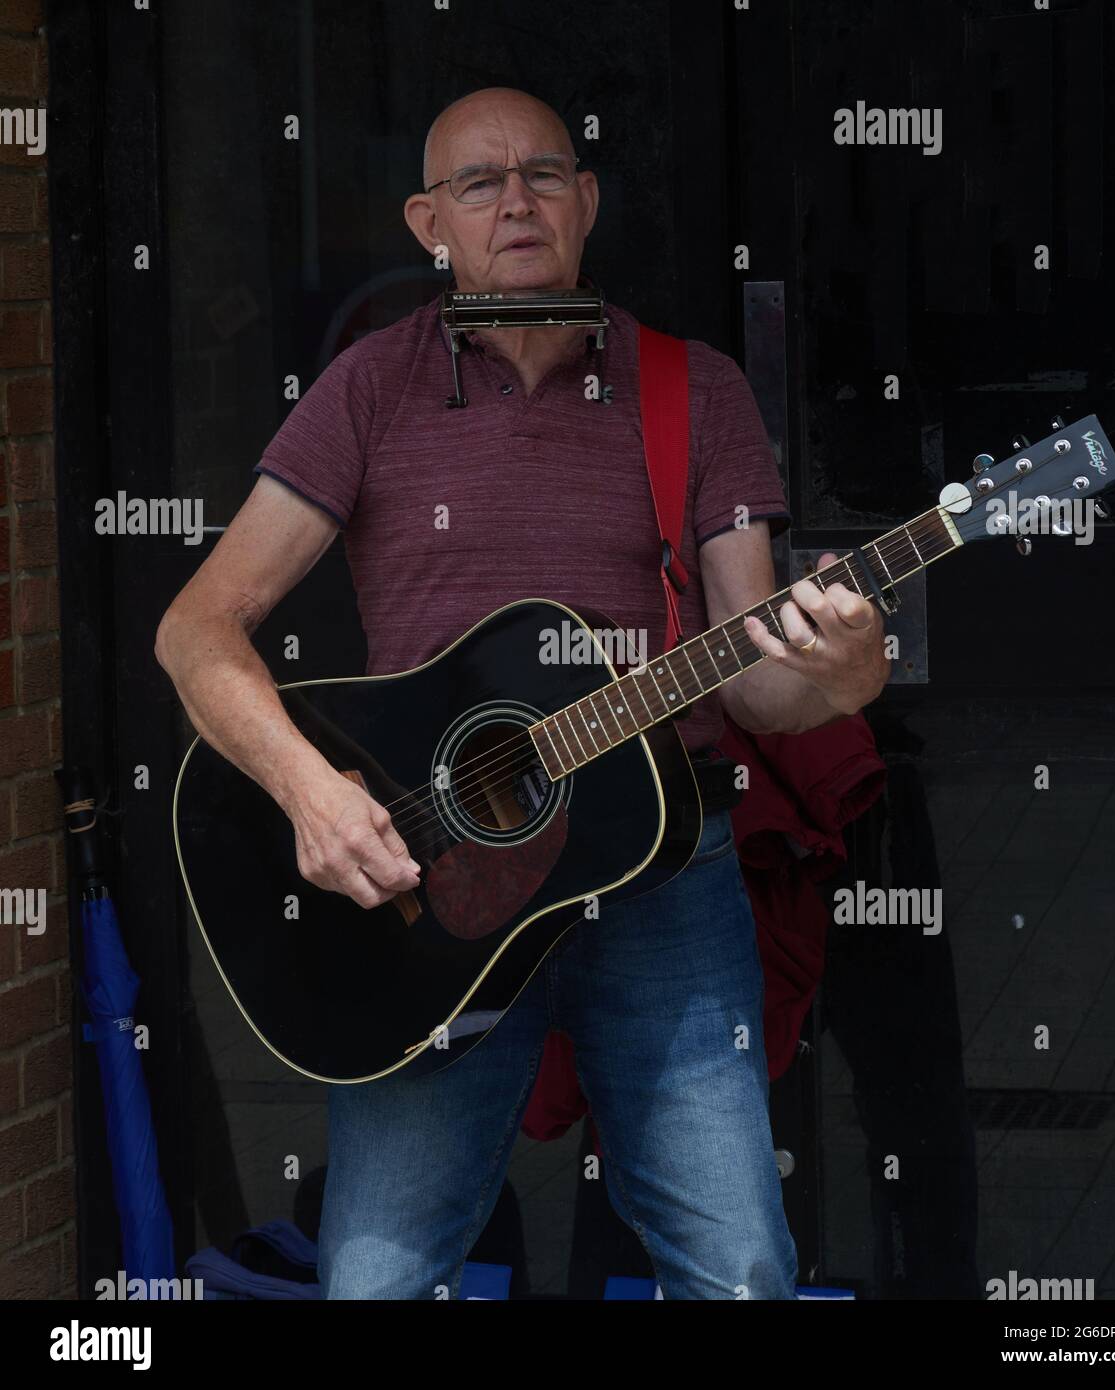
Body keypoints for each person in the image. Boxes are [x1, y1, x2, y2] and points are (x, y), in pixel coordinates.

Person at [155, 86, 890, 1299]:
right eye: (479, 183)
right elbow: (197, 627)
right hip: (430, 884)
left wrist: (846, 670)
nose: (515, 202)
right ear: (427, 222)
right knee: (375, 1282)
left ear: (587, 203)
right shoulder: (370, 389)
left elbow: (758, 684)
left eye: (544, 175)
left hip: (662, 872)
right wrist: (311, 792)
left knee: (742, 1267)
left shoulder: (690, 389)